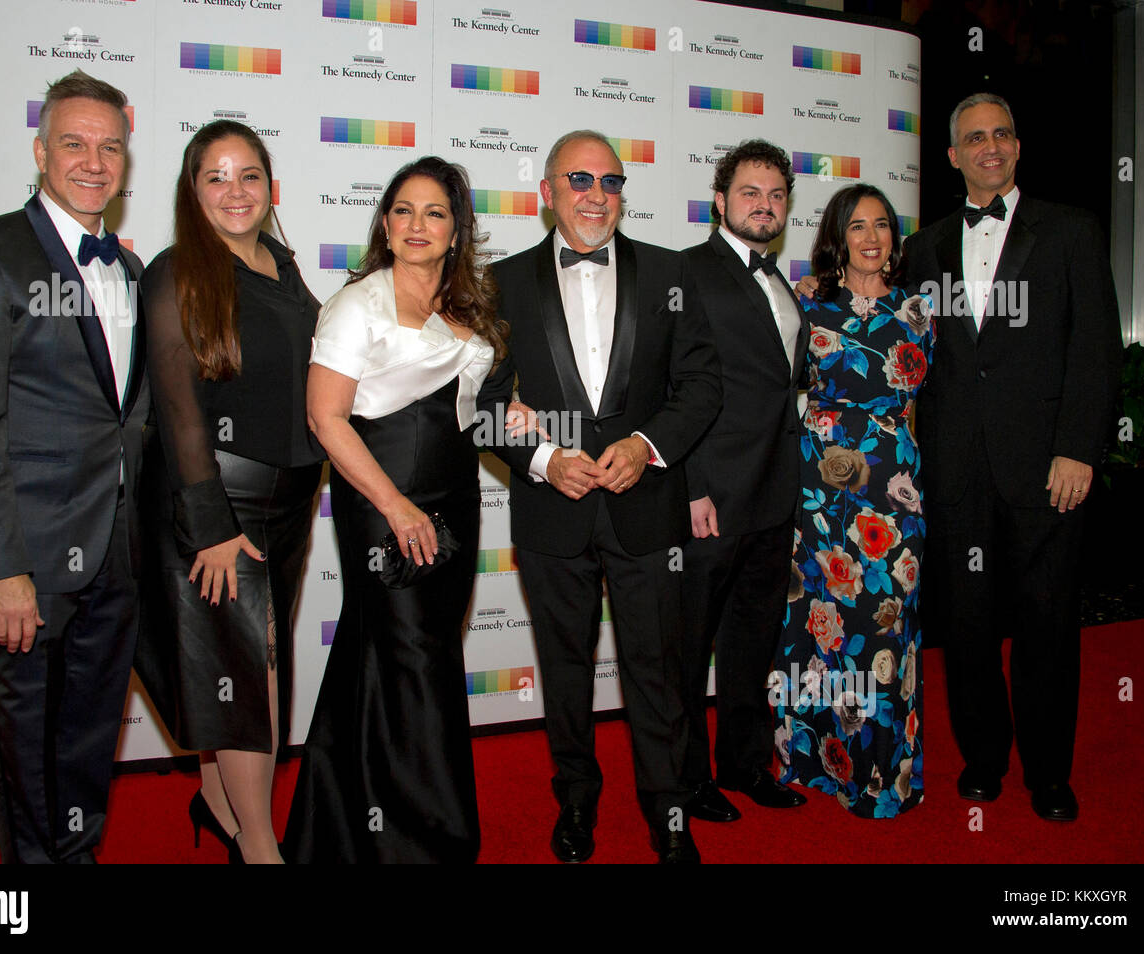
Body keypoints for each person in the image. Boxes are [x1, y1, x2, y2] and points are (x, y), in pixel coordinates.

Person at [478, 130, 721, 863]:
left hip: (647, 508)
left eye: (611, 181)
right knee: (565, 670)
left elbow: (702, 385)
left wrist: (646, 447)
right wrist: (546, 459)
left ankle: (667, 814)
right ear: (546, 191)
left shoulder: (671, 272)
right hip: (552, 513)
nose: (597, 194)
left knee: (658, 669)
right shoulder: (502, 281)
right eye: (579, 179)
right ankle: (576, 801)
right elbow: (482, 402)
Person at [0, 70, 147, 863]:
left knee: (87, 747)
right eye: (75, 144)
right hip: (31, 563)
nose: (94, 161)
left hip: (116, 558)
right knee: (26, 759)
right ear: (40, 150)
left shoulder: (130, 272)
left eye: (110, 146)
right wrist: (0, 569)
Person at [902, 93, 1122, 821]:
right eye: (974, 138)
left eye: (1000, 135)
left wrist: (1077, 450)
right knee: (965, 627)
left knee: (1047, 625)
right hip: (956, 470)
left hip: (1046, 472)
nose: (988, 147)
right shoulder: (923, 247)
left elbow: (1095, 350)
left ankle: (1049, 772)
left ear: (1018, 147)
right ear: (952, 155)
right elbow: (908, 353)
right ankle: (984, 759)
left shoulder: (1071, 231)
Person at [282, 156, 503, 863]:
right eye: (403, 210)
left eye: (434, 213)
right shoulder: (359, 304)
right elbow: (326, 419)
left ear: (455, 230)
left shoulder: (466, 307)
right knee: (413, 660)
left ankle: (337, 828)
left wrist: (515, 415)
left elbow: (468, 406)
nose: (417, 225)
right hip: (385, 503)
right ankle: (418, 843)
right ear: (385, 222)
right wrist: (397, 508)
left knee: (389, 655)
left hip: (455, 499)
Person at [134, 120, 323, 864]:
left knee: (250, 670)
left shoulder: (283, 265)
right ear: (192, 190)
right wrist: (208, 525)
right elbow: (177, 409)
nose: (234, 191)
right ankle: (260, 847)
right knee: (251, 686)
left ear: (270, 188)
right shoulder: (176, 271)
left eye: (249, 175)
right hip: (222, 506)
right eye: (216, 176)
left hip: (292, 502)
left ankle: (217, 809)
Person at [775, 184, 934, 817]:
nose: (871, 237)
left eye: (882, 226)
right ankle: (821, 763)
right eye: (857, 226)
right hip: (820, 491)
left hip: (893, 486)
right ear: (837, 239)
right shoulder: (806, 309)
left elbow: (935, 403)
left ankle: (882, 774)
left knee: (885, 622)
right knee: (824, 626)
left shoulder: (920, 310)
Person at [679, 140, 810, 824]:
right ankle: (687, 781)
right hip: (712, 495)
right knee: (688, 643)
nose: (764, 205)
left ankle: (744, 764)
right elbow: (674, 388)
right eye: (750, 193)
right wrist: (692, 485)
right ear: (720, 201)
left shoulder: (780, 281)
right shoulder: (688, 272)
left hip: (772, 493)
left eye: (776, 195)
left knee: (751, 639)